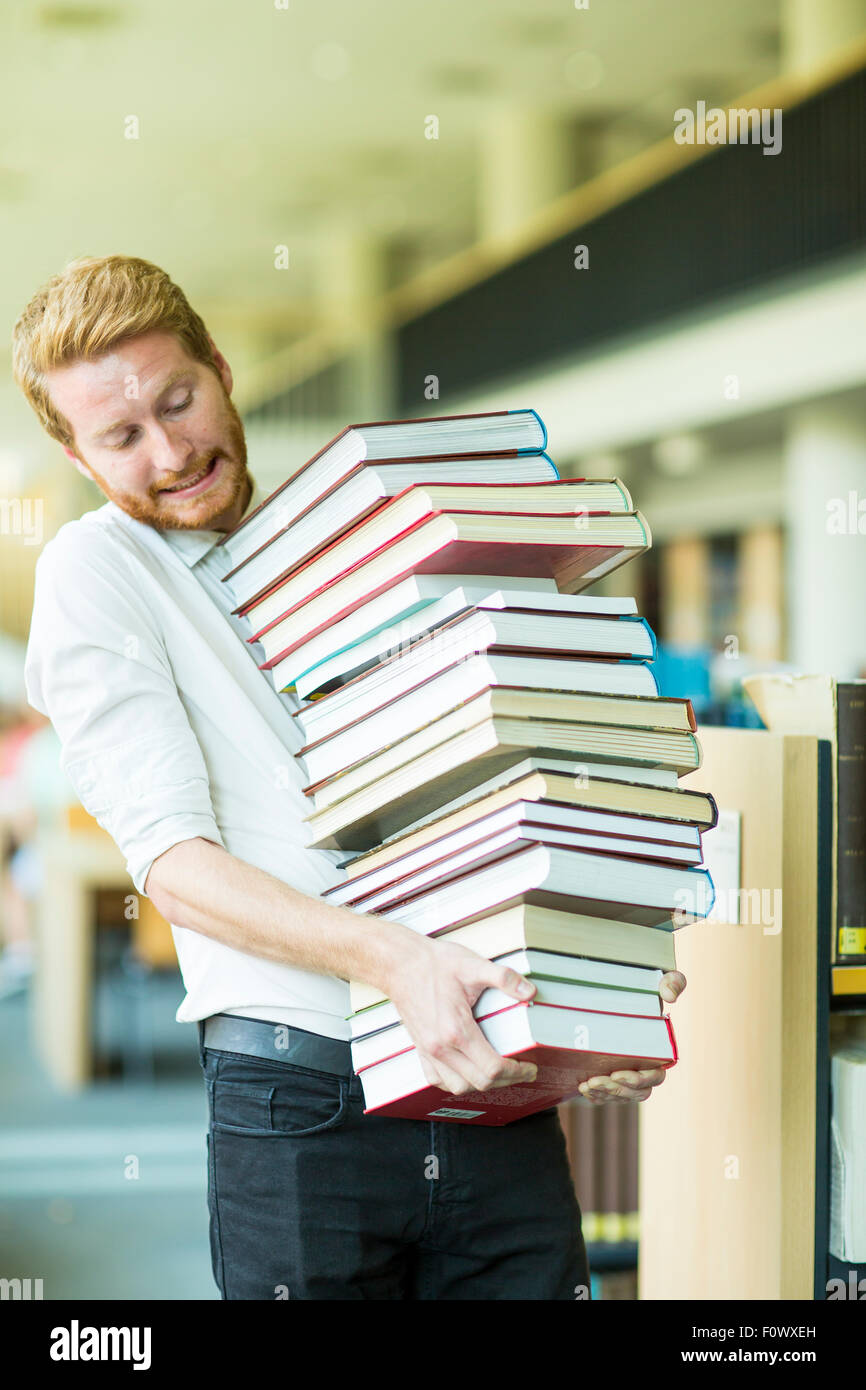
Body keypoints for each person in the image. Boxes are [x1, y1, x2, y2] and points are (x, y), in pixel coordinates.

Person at [13, 255, 685, 1300]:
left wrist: (588, 985)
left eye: (179, 401)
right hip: (303, 1102)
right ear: (76, 453)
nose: (170, 450)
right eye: (122, 437)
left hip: (482, 1080)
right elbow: (175, 863)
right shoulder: (95, 573)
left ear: (222, 371)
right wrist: (397, 964)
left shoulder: (349, 545)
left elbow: (484, 791)